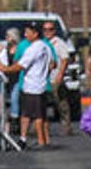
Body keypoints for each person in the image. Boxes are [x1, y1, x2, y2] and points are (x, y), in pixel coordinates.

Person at [12, 19, 60, 148]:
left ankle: (41, 140)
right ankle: (24, 139)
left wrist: (3, 68)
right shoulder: (24, 45)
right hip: (27, 84)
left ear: (35, 33)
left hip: (35, 85)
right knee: (27, 114)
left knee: (38, 115)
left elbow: (20, 65)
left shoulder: (39, 46)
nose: (26, 34)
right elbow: (16, 60)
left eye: (28, 32)